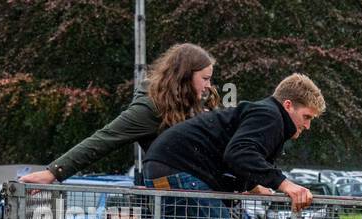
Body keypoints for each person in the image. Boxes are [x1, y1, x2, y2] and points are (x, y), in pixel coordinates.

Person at [140, 73, 321, 219]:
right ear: (288, 105)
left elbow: (233, 152)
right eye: (306, 117)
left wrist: (254, 185)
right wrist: (286, 185)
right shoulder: (270, 116)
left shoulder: (261, 114)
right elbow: (239, 153)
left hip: (164, 170)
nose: (307, 126)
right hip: (180, 172)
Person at [19, 43, 219, 185]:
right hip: (180, 193)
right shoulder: (150, 109)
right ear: (184, 77)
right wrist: (54, 172)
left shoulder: (192, 106)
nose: (208, 85)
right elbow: (105, 138)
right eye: (205, 78)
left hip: (199, 188)